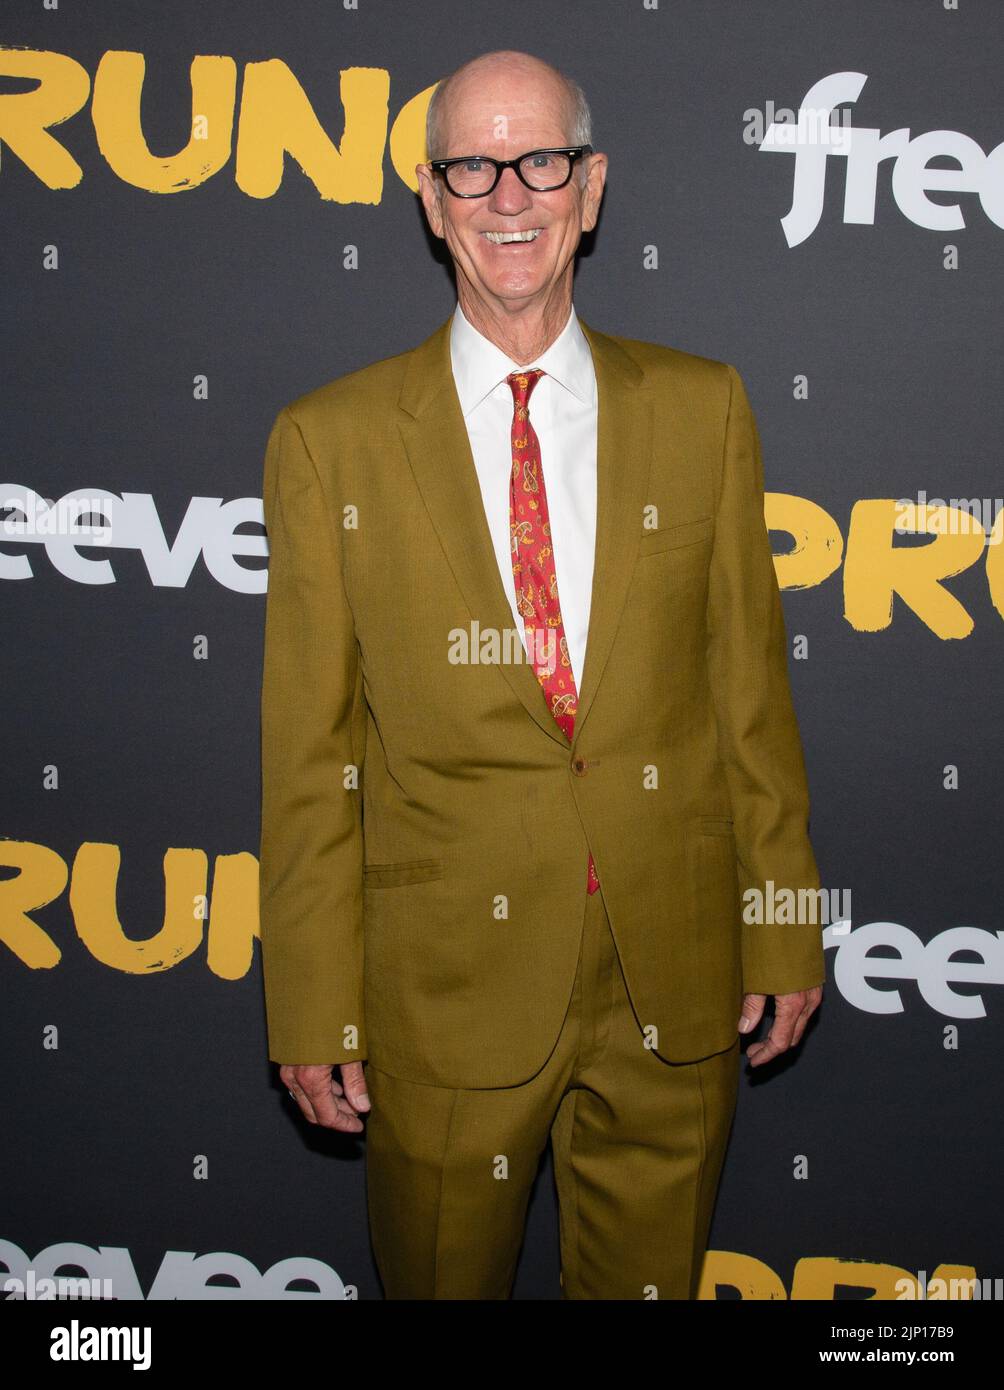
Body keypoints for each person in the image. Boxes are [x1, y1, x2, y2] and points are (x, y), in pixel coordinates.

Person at [258, 48, 824, 1300]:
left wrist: (784, 922)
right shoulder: (329, 443)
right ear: (429, 197)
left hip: (673, 980)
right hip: (444, 995)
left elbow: (749, 701)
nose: (507, 196)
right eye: (471, 166)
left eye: (540, 162)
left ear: (591, 185)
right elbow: (308, 760)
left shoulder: (702, 408)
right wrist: (310, 1006)